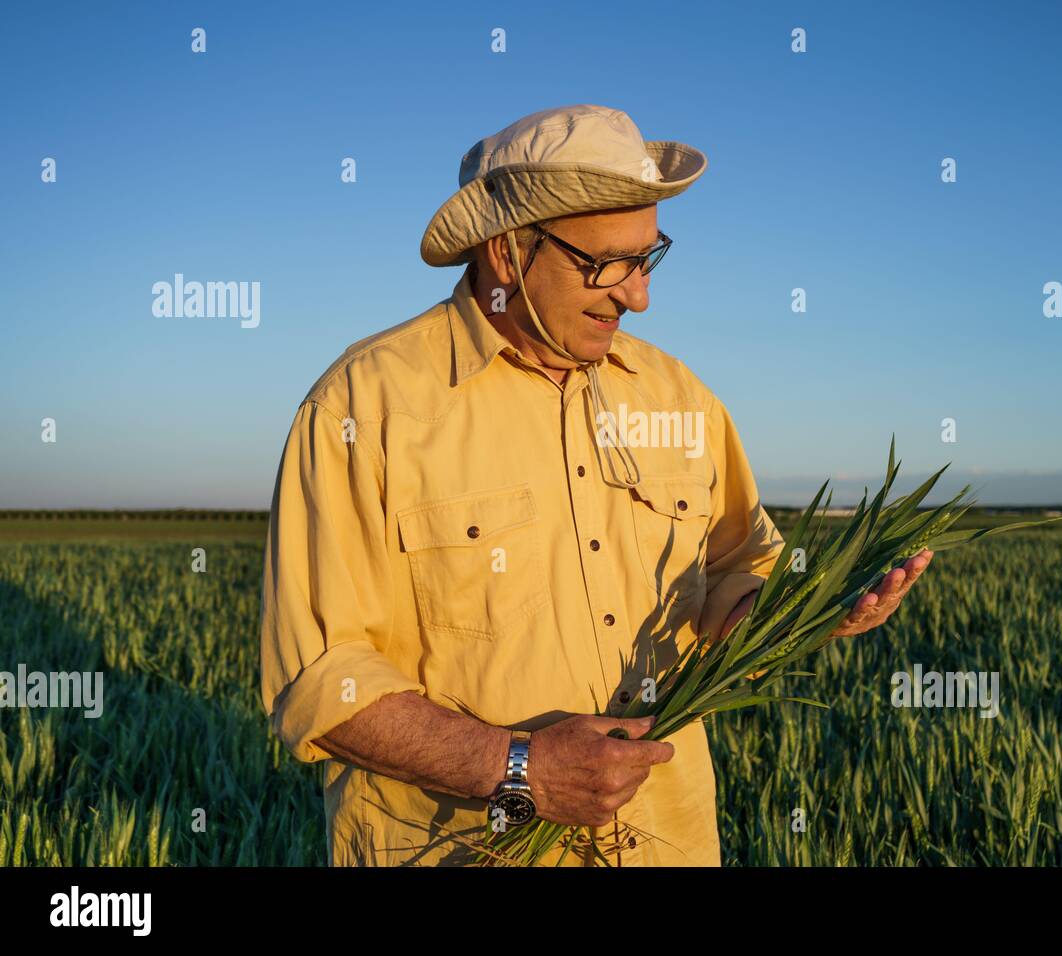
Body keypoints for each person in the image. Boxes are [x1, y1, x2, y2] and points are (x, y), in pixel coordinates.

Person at [259, 104, 932, 867]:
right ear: (507, 254)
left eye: (649, 258)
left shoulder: (681, 399)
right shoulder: (364, 407)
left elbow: (741, 571)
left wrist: (801, 613)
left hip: (668, 845)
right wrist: (519, 770)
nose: (637, 295)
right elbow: (320, 680)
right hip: (458, 851)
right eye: (606, 262)